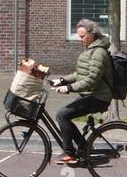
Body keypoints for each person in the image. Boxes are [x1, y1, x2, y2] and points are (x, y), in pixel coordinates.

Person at [49, 19, 114, 163]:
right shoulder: (91, 50)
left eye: (83, 36)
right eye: (79, 36)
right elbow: (80, 74)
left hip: (99, 97)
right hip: (91, 94)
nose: (80, 40)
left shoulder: (99, 53)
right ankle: (84, 148)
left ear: (92, 34)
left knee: (62, 115)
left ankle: (69, 153)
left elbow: (91, 80)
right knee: (65, 115)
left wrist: (69, 88)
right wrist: (62, 80)